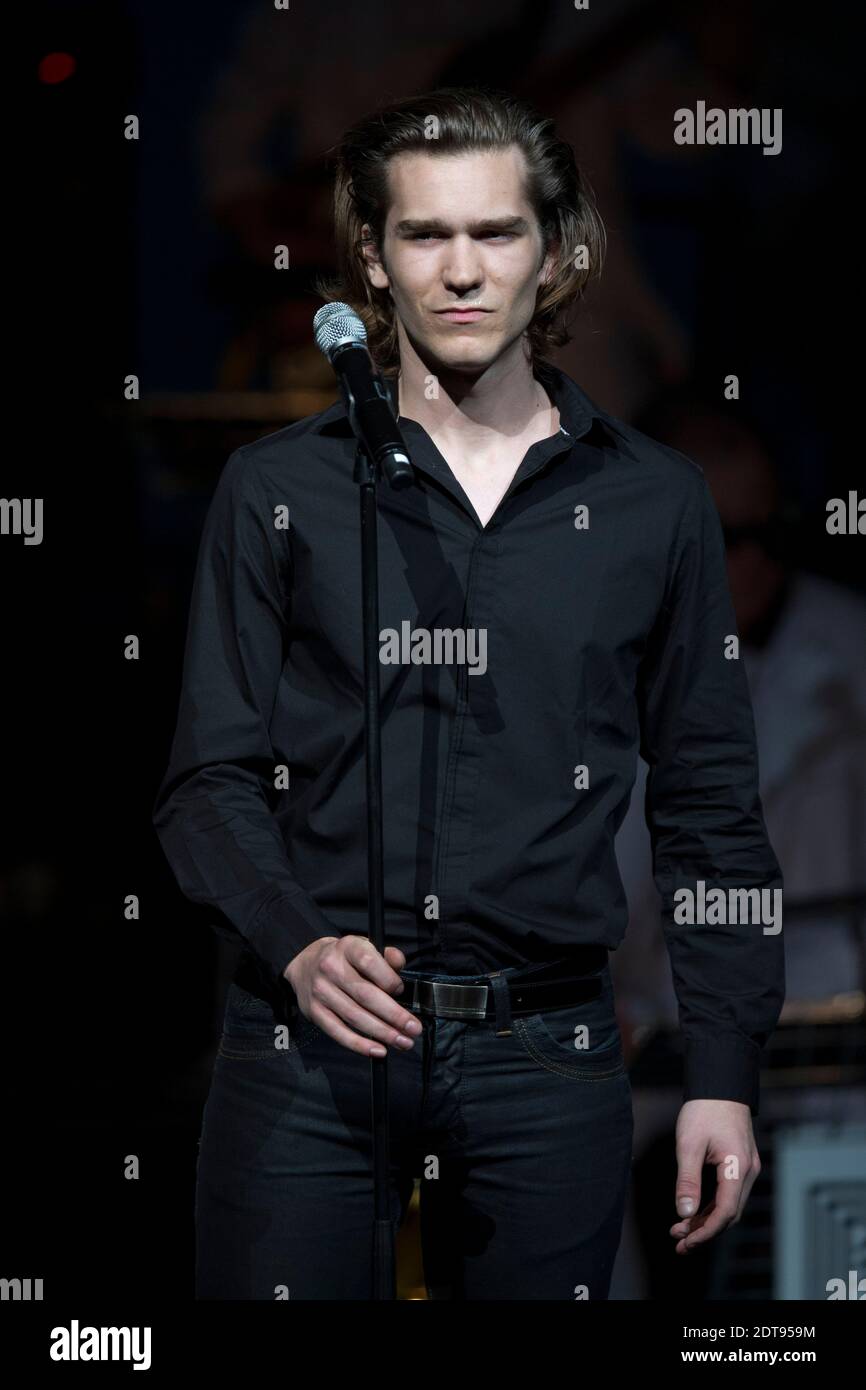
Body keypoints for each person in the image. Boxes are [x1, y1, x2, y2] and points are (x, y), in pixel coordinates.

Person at [153, 86, 785, 1301]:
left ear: (552, 253)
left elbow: (709, 801)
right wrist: (293, 942)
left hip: (544, 1052)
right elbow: (204, 780)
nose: (460, 269)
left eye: (494, 233)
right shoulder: (275, 489)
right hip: (307, 1046)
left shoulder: (653, 503)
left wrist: (721, 1067)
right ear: (372, 262)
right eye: (423, 235)